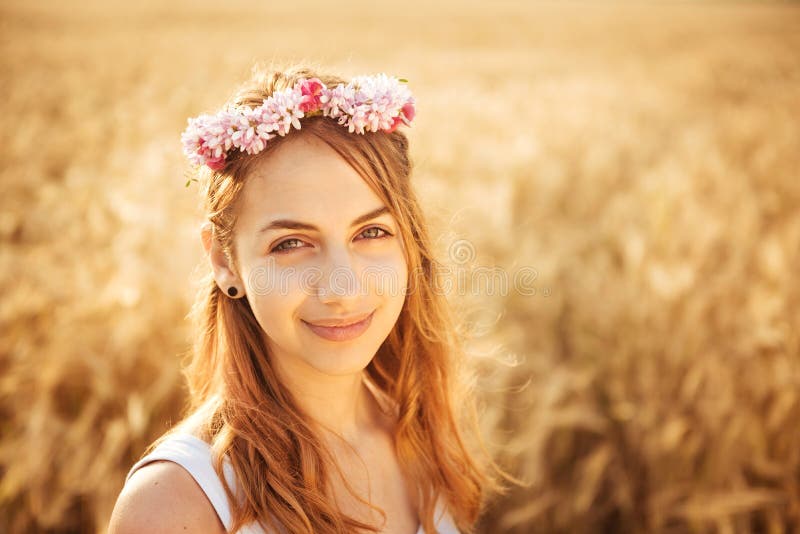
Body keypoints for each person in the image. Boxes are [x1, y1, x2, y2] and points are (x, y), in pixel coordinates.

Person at [108, 62, 512, 534]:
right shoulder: (174, 507)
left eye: (372, 232)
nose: (343, 288)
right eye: (291, 243)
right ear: (224, 262)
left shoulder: (420, 433)